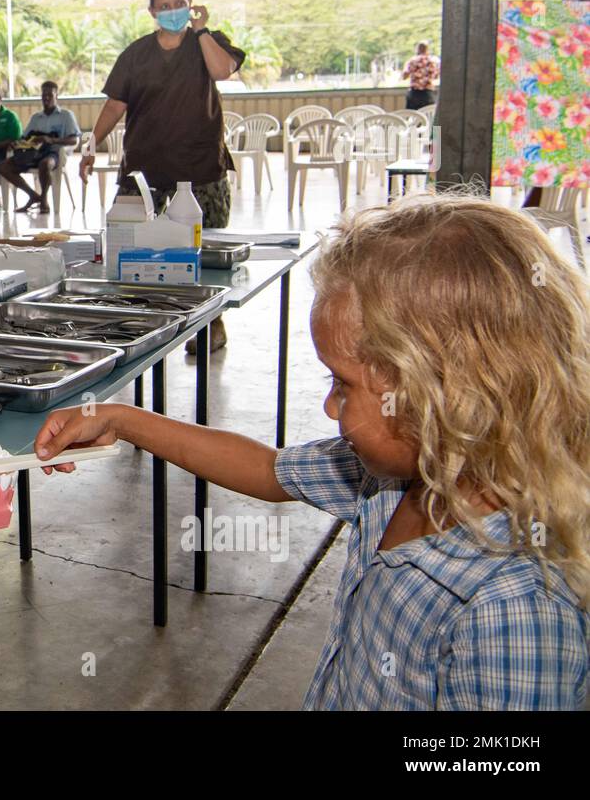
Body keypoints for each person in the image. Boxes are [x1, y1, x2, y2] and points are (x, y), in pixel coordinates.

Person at [35, 195, 590, 709]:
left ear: (443, 394)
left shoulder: (516, 606)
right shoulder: (399, 479)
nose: (328, 406)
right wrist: (122, 418)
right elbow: (268, 471)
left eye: (343, 385)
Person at [81, 0, 245, 353]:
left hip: (200, 169)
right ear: (153, 11)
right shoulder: (135, 55)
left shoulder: (209, 43)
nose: (173, 11)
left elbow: (221, 71)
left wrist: (202, 32)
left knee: (204, 253)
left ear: (191, 5)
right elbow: (114, 105)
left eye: (179, 3)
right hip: (145, 174)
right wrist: (91, 144)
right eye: (165, 5)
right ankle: (136, 324)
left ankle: (210, 325)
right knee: (133, 250)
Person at [0, 80, 81, 215]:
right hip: (32, 153)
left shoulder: (66, 115)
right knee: (3, 166)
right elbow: (24, 138)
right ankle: (33, 195)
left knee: (45, 164)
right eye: (44, 95)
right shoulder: (36, 118)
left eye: (50, 95)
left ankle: (44, 198)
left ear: (56, 96)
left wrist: (51, 140)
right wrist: (17, 143)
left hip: (54, 153)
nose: (46, 98)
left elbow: (74, 139)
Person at [401, 41, 439, 110]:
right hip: (428, 94)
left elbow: (404, 76)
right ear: (427, 50)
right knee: (428, 116)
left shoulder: (412, 60)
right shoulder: (433, 61)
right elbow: (436, 76)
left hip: (414, 94)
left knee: (413, 116)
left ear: (418, 49)